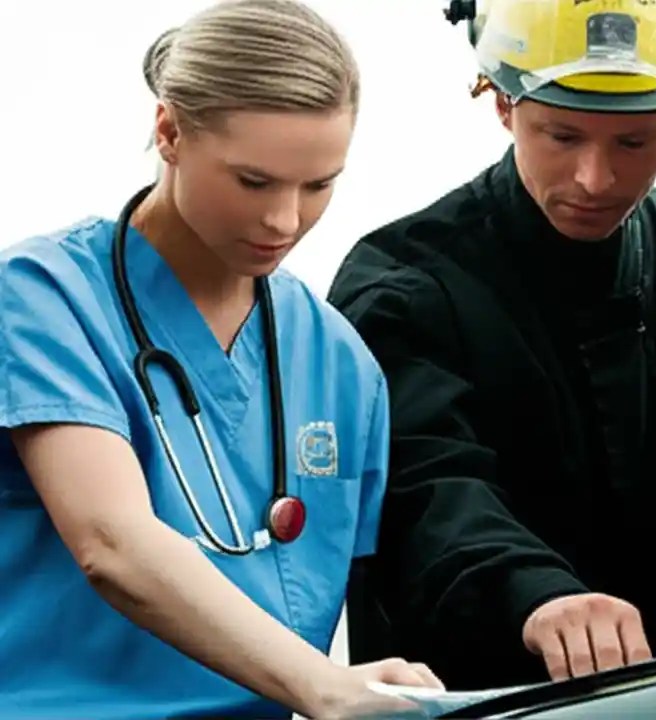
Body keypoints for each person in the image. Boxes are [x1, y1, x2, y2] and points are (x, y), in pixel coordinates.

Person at [0, 2, 442, 717]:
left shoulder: (339, 363)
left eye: (319, 184)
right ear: (169, 131)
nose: (285, 221)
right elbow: (111, 542)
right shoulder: (44, 298)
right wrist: (326, 687)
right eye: (254, 182)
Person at [328, 0, 656, 689]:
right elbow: (421, 486)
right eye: (561, 136)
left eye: (633, 143)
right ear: (503, 103)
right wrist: (530, 593)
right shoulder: (403, 284)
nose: (595, 178)